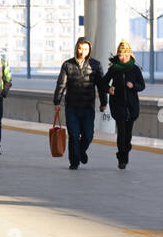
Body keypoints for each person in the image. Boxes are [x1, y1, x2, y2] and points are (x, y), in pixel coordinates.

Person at [53, 37, 106, 170]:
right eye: (80, 48)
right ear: (76, 48)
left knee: (88, 135)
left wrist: (104, 102)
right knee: (74, 135)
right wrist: (57, 101)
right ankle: (74, 162)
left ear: (90, 50)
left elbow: (101, 86)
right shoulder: (67, 65)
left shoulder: (96, 65)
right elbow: (61, 84)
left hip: (88, 107)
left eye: (86, 49)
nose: (83, 51)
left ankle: (81, 151)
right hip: (72, 107)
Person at [103, 40, 145, 169]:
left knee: (128, 135)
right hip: (118, 105)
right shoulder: (114, 69)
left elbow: (142, 85)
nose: (124, 58)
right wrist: (108, 88)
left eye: (126, 55)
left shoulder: (135, 69)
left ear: (130, 55)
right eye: (121, 55)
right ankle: (122, 159)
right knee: (121, 132)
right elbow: (103, 82)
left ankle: (125, 148)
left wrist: (133, 86)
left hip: (132, 107)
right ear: (118, 56)